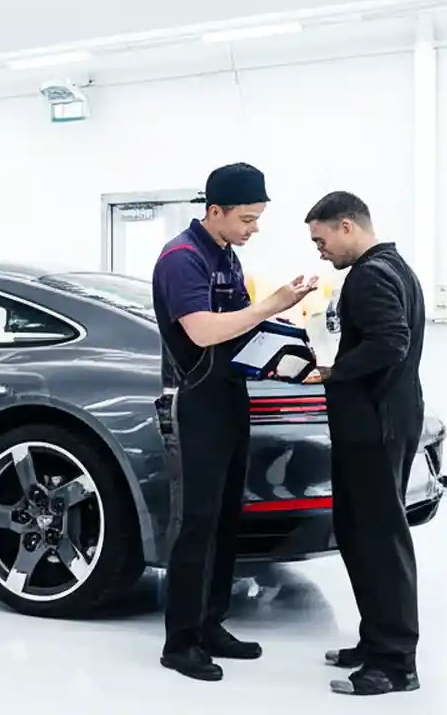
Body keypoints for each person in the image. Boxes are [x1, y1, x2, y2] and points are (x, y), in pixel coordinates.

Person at [152, 162, 317, 682]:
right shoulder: (182, 259)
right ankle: (180, 642)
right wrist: (270, 302)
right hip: (198, 401)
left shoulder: (225, 256)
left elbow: (240, 328)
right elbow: (202, 332)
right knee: (197, 522)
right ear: (215, 210)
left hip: (230, 398)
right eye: (246, 219)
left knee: (227, 518)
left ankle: (211, 624)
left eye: (258, 219)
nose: (253, 229)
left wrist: (283, 336)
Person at [304, 191, 425, 696]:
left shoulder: (370, 275)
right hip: (381, 420)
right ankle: (375, 640)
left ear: (347, 227)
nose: (320, 250)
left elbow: (390, 341)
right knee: (359, 534)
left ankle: (395, 663)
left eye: (321, 239)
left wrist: (332, 371)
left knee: (379, 539)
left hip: (376, 425)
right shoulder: (395, 266)